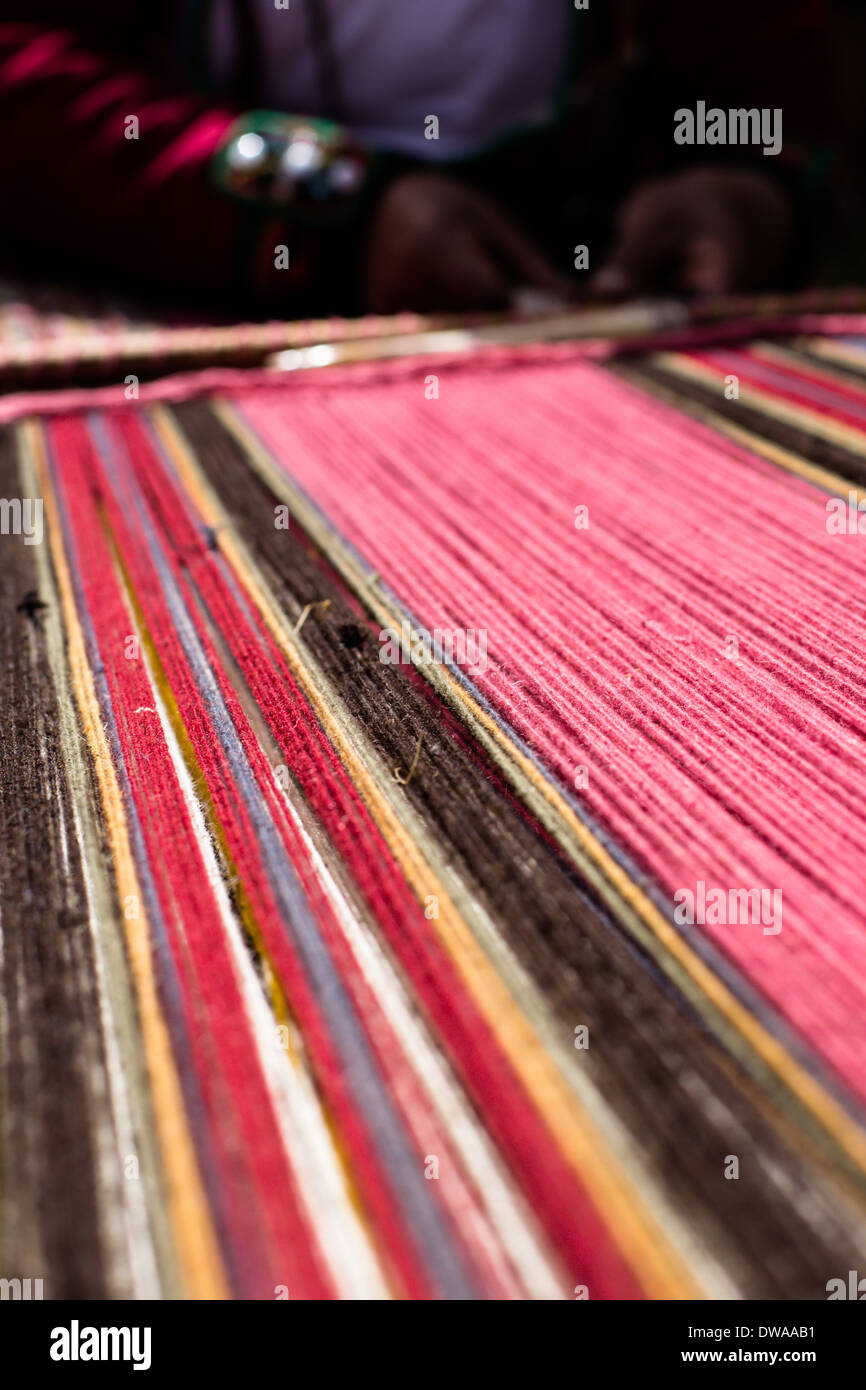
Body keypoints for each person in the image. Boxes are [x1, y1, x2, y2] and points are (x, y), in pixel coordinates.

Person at [0, 1, 842, 315]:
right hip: (193, 305)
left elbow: (771, 94)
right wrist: (341, 211)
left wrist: (745, 181)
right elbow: (24, 80)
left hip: (588, 317)